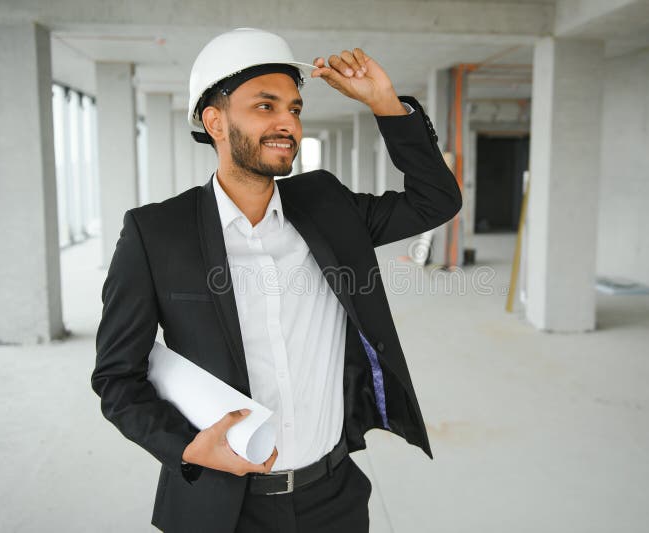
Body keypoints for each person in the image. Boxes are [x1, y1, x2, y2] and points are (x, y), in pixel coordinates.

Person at [92, 27, 461, 533]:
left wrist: (385, 105)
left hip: (334, 497)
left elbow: (435, 201)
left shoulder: (328, 205)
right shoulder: (156, 234)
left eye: (294, 108)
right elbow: (117, 377)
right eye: (265, 107)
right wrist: (185, 446)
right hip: (224, 508)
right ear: (214, 121)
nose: (287, 122)